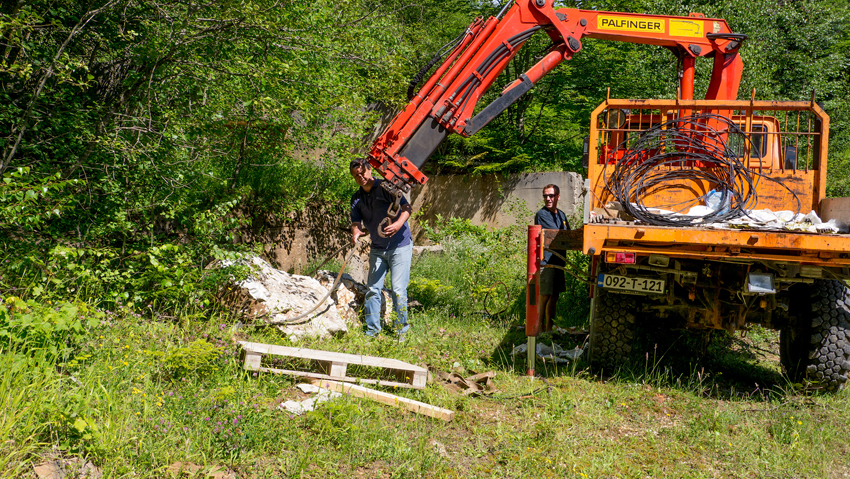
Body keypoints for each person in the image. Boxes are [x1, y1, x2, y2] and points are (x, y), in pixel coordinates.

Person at [349, 158, 414, 338]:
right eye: (356, 175)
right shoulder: (356, 198)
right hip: (377, 248)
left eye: (362, 172)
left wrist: (398, 224)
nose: (360, 177)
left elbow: (407, 208)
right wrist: (356, 232)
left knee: (398, 290)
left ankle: (401, 332)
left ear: (370, 170)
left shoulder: (386, 187)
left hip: (399, 246)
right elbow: (355, 222)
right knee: (372, 290)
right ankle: (372, 331)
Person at [534, 184, 571, 333]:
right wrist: (566, 236)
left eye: (551, 196)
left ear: (558, 197)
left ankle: (549, 328)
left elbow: (568, 234)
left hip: (559, 261)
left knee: (554, 296)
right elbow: (558, 234)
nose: (548, 199)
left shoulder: (561, 215)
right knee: (545, 295)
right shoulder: (542, 214)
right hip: (547, 261)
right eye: (545, 196)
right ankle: (539, 327)